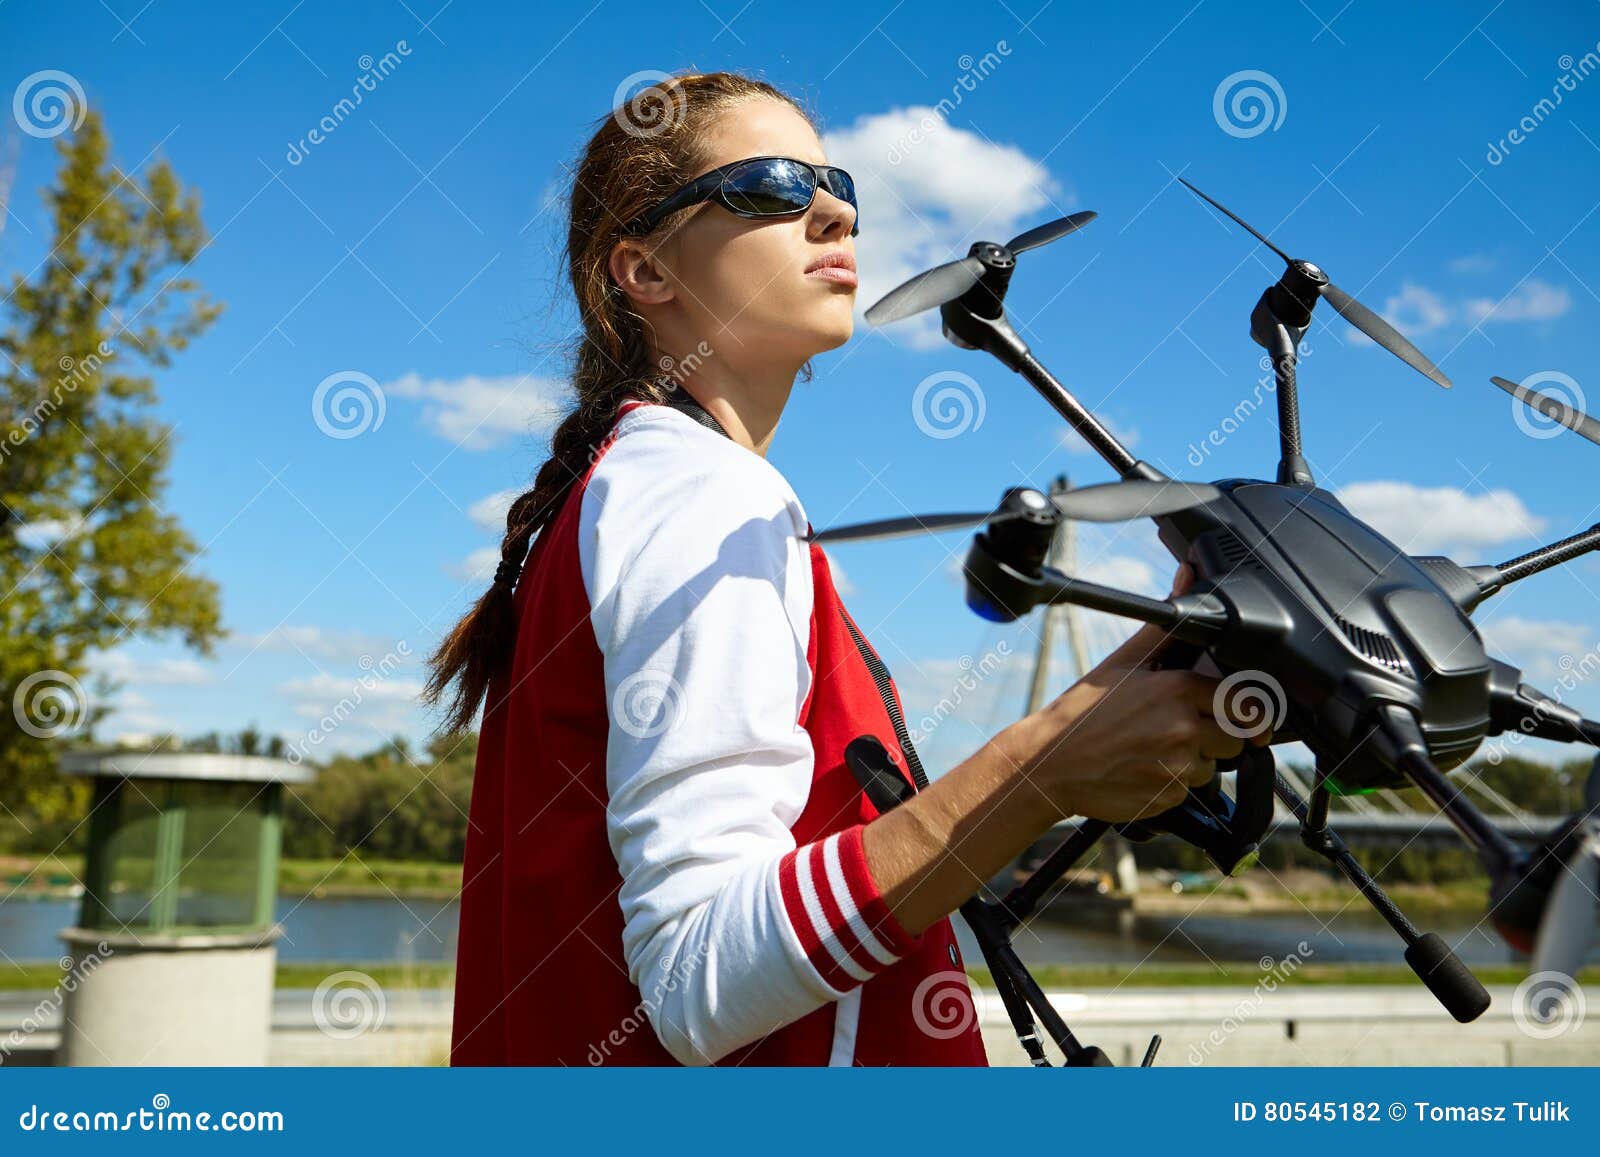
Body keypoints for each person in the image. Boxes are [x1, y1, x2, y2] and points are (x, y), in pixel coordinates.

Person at [425, 70, 1264, 1067]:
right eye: (771, 187)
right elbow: (697, 980)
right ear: (645, 271)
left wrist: (1121, 693)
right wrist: (1040, 770)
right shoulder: (701, 493)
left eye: (838, 186)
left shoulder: (626, 488)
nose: (831, 211)